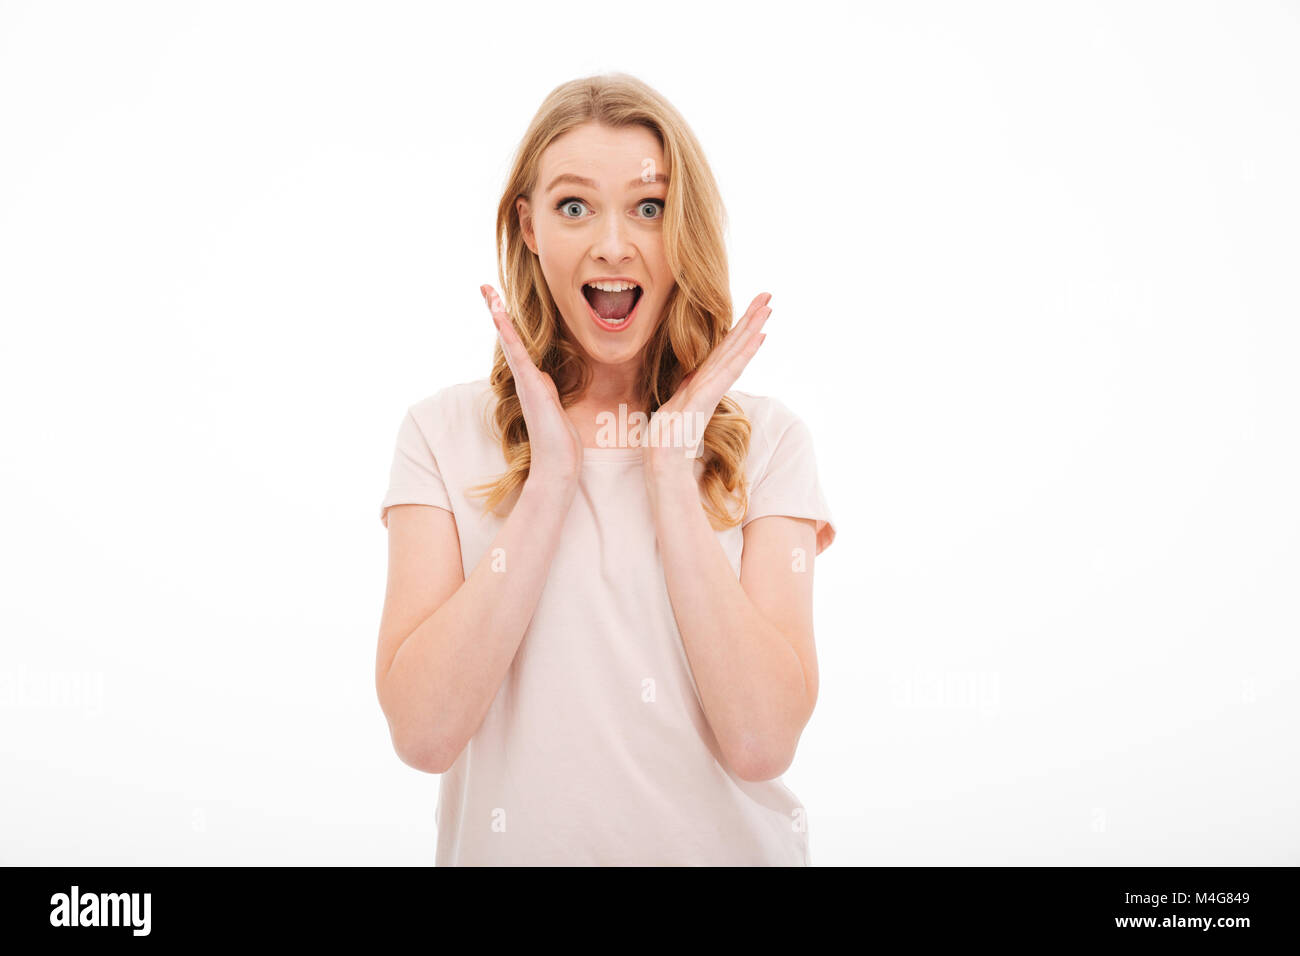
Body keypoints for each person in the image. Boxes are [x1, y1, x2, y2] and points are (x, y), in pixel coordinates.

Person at [375, 72, 836, 866]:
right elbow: (423, 735)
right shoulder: (441, 434)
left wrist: (667, 469)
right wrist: (553, 480)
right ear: (528, 226)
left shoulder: (769, 442)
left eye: (649, 208)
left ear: (682, 225)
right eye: (573, 206)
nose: (613, 244)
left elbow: (762, 742)